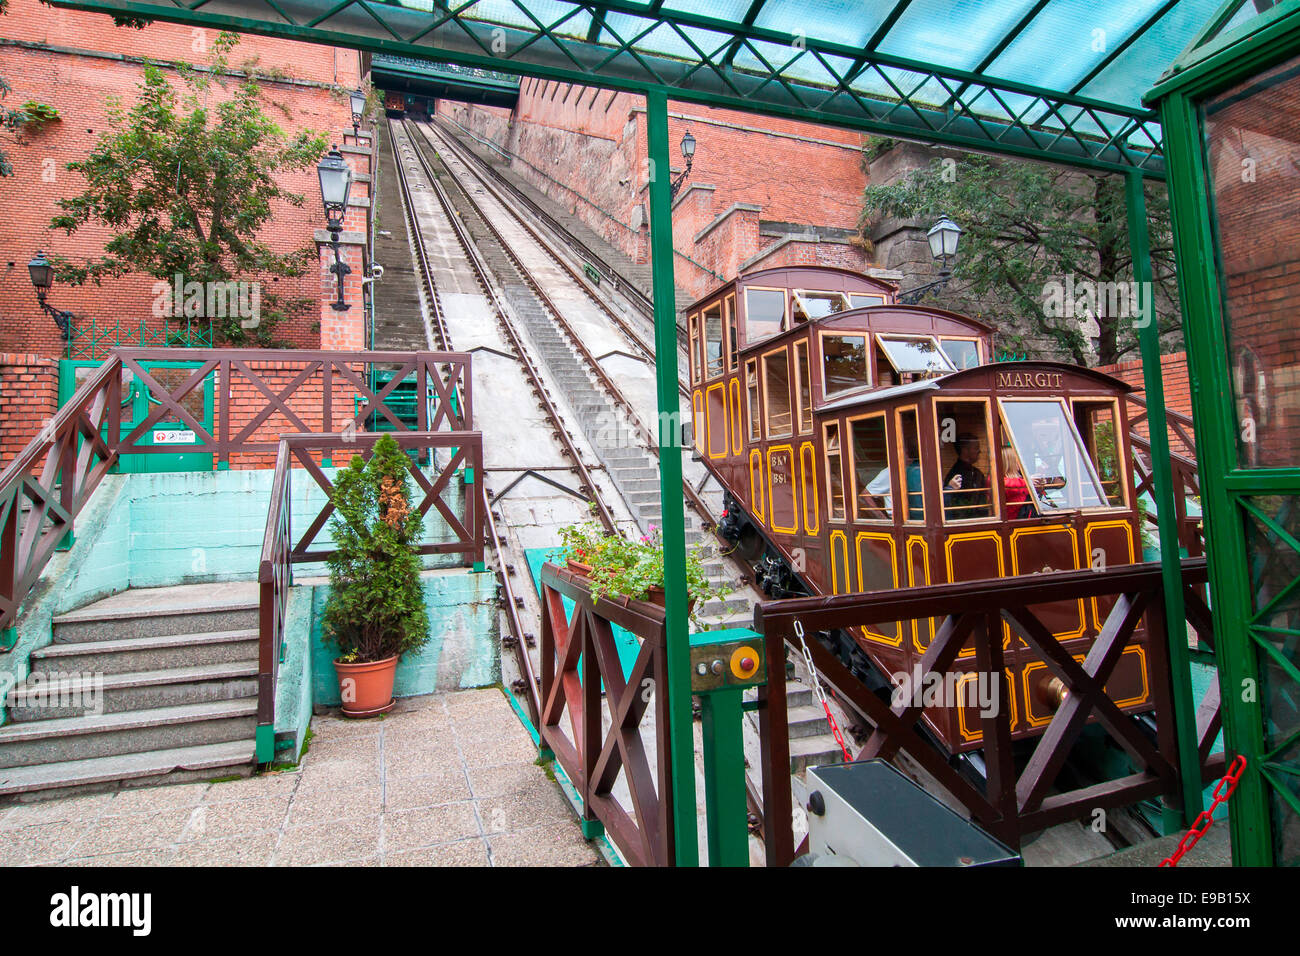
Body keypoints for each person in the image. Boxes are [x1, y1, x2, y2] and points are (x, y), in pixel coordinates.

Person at [943, 432, 989, 519]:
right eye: (976, 448)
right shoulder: (956, 475)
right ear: (965, 450)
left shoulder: (976, 473)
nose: (979, 451)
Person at [1002, 446, 1033, 519]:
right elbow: (1009, 485)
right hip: (1014, 520)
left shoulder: (1018, 478)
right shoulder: (1000, 480)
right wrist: (1028, 482)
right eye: (1017, 459)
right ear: (1011, 462)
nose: (1021, 462)